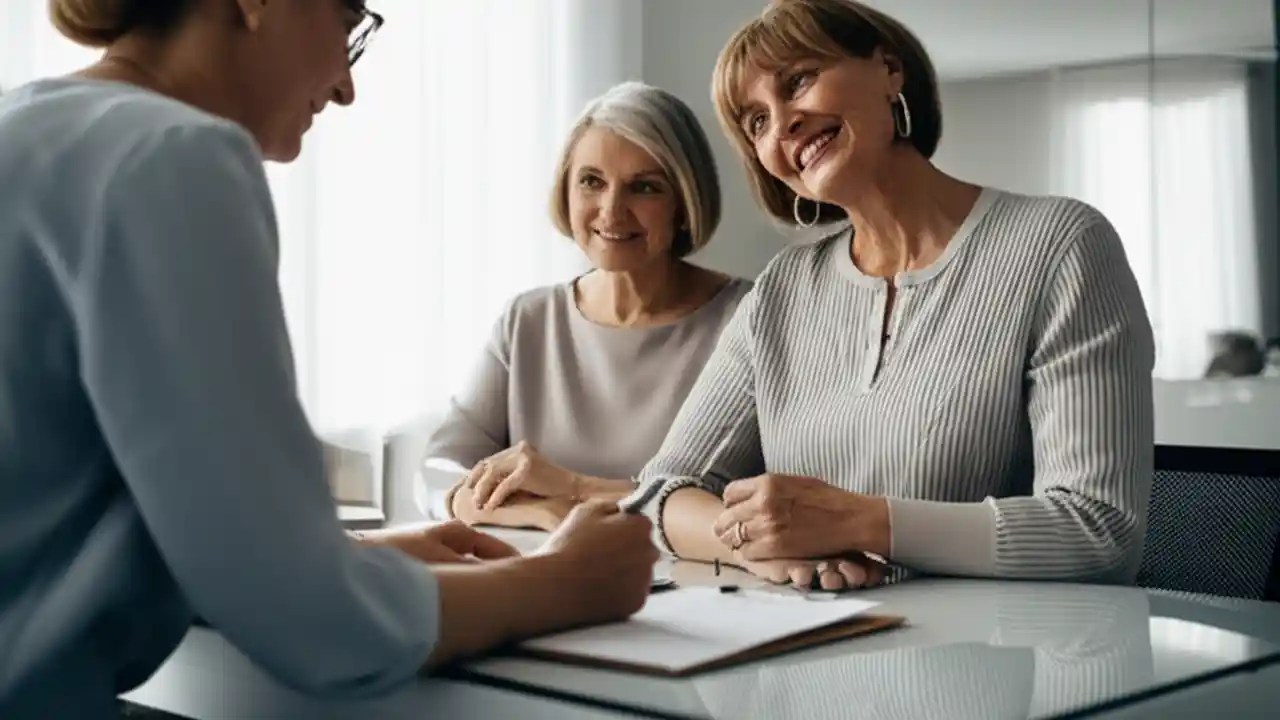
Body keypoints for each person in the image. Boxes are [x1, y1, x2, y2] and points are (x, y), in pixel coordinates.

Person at [0, 1, 655, 716]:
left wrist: (345, 561)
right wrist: (567, 581)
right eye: (348, 26)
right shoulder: (171, 155)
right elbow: (316, 625)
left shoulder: (28, 127)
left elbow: (90, 524)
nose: (347, 85)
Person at [635, 0, 1155, 592]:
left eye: (798, 81)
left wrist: (860, 522)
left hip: (989, 666)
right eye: (756, 122)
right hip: (796, 658)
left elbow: (1099, 531)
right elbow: (661, 493)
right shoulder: (781, 289)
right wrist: (764, 550)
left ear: (889, 70)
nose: (783, 124)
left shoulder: (1061, 246)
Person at [420, 82, 751, 532]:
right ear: (566, 190)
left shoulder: (747, 317)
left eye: (645, 187)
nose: (612, 211)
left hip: (709, 589)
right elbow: (437, 473)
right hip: (543, 580)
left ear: (684, 202)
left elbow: (743, 499)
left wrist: (571, 489)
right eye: (591, 181)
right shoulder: (528, 321)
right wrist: (535, 512)